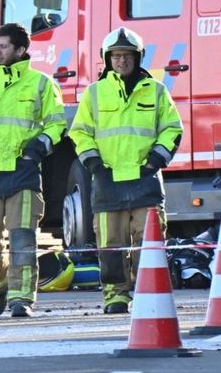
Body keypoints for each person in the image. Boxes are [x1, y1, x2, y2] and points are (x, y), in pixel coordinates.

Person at [69, 27, 182, 314]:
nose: (121, 60)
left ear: (138, 57)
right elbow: (80, 133)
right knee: (111, 246)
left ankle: (148, 293)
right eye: (116, 55)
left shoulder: (157, 91)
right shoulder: (94, 94)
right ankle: (115, 297)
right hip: (108, 180)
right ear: (107, 59)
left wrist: (155, 161)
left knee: (150, 243)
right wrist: (94, 164)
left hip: (145, 179)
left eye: (127, 55)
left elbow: (172, 129)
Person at [0, 22, 65, 318]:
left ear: (21, 50)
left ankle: (21, 299)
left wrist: (37, 148)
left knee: (22, 240)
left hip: (24, 171)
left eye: (4, 46)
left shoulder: (41, 83)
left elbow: (57, 124)